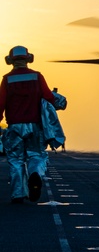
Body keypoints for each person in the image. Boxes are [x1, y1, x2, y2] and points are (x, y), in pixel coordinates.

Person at [0, 46, 57, 204]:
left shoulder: (7, 79)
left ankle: (18, 193)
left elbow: (0, 104)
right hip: (34, 125)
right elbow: (49, 98)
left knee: (16, 160)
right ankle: (35, 174)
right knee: (36, 155)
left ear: (10, 60)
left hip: (14, 127)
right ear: (29, 58)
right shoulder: (37, 77)